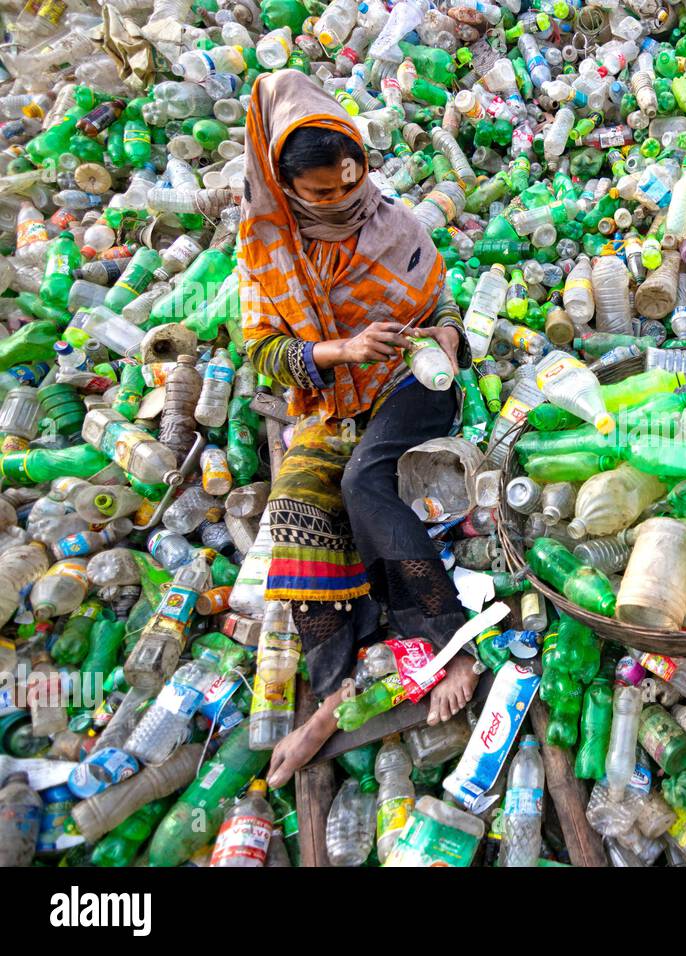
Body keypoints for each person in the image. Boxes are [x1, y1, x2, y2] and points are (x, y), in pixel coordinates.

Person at [239, 71, 476, 789]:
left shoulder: (394, 225)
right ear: (286, 188)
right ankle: (341, 690)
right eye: (323, 193)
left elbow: (444, 310)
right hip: (327, 396)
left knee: (365, 482)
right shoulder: (265, 247)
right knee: (296, 517)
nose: (346, 199)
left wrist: (442, 343)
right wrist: (338, 351)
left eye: (353, 180)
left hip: (410, 384)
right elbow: (262, 354)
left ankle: (447, 638)